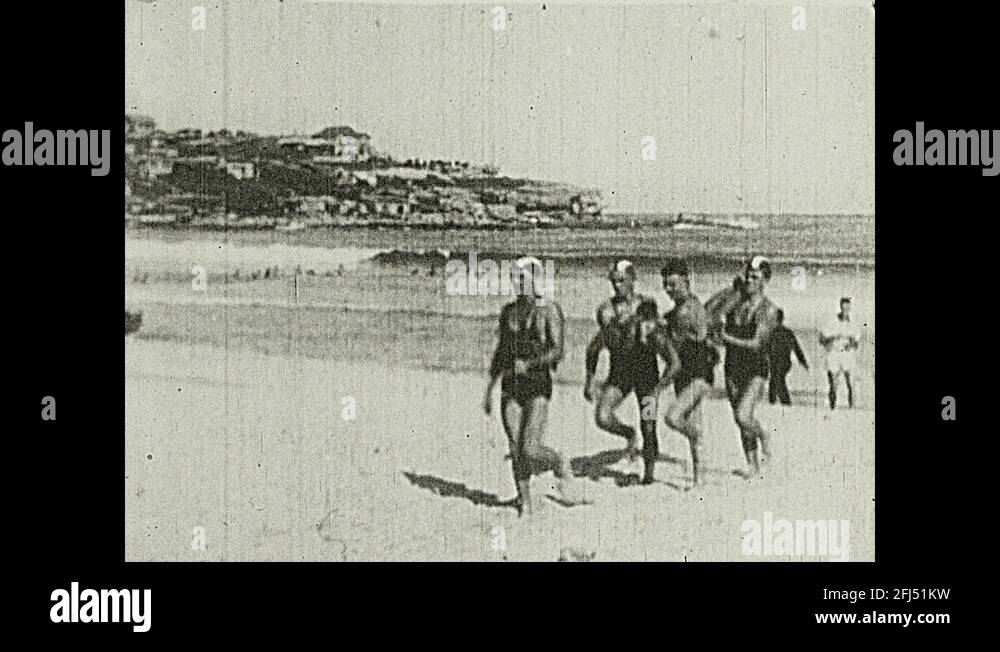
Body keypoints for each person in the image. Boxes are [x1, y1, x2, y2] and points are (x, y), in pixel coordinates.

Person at [483, 257, 586, 515]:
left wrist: (529, 364)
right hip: (510, 384)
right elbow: (500, 351)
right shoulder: (508, 312)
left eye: (522, 278)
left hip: (537, 383)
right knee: (515, 446)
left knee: (530, 448)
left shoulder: (549, 309)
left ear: (535, 280)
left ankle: (559, 461)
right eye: (514, 278)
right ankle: (525, 502)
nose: (517, 283)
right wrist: (489, 388)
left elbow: (558, 351)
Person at [584, 260, 663, 484]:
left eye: (622, 281)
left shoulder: (647, 304)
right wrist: (590, 380)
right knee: (602, 416)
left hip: (646, 372)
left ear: (632, 280)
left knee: (649, 422)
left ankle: (649, 473)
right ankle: (628, 434)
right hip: (621, 372)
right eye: (614, 281)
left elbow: (658, 337)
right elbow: (594, 347)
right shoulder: (606, 310)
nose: (617, 286)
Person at [706, 256, 781, 479]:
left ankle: (765, 436)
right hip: (733, 365)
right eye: (748, 275)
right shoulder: (735, 301)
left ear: (765, 280)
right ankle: (752, 465)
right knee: (738, 418)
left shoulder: (768, 309)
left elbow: (757, 343)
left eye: (755, 277)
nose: (749, 280)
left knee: (743, 416)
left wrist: (725, 338)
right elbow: (709, 312)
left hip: (755, 367)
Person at [659, 258, 718, 488]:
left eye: (673, 284)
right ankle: (699, 479)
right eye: (666, 285)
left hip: (699, 373)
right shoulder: (676, 311)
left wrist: (681, 336)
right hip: (685, 373)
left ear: (686, 281)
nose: (669, 290)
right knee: (692, 420)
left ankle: (698, 442)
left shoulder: (692, 307)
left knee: (673, 417)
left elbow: (702, 334)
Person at [819, 297, 860, 409]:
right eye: (843, 307)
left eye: (848, 307)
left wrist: (851, 343)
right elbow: (821, 339)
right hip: (833, 353)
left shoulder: (853, 324)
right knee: (833, 383)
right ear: (840, 307)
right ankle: (832, 407)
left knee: (850, 382)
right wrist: (832, 338)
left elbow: (856, 343)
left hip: (847, 354)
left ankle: (852, 407)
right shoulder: (831, 322)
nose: (845, 310)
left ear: (850, 308)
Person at [765, 309, 808, 405]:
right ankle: (776, 402)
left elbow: (765, 349)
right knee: (776, 380)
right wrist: (803, 362)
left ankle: (783, 402)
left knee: (777, 380)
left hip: (777, 362)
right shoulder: (787, 332)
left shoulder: (772, 332)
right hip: (784, 363)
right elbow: (797, 349)